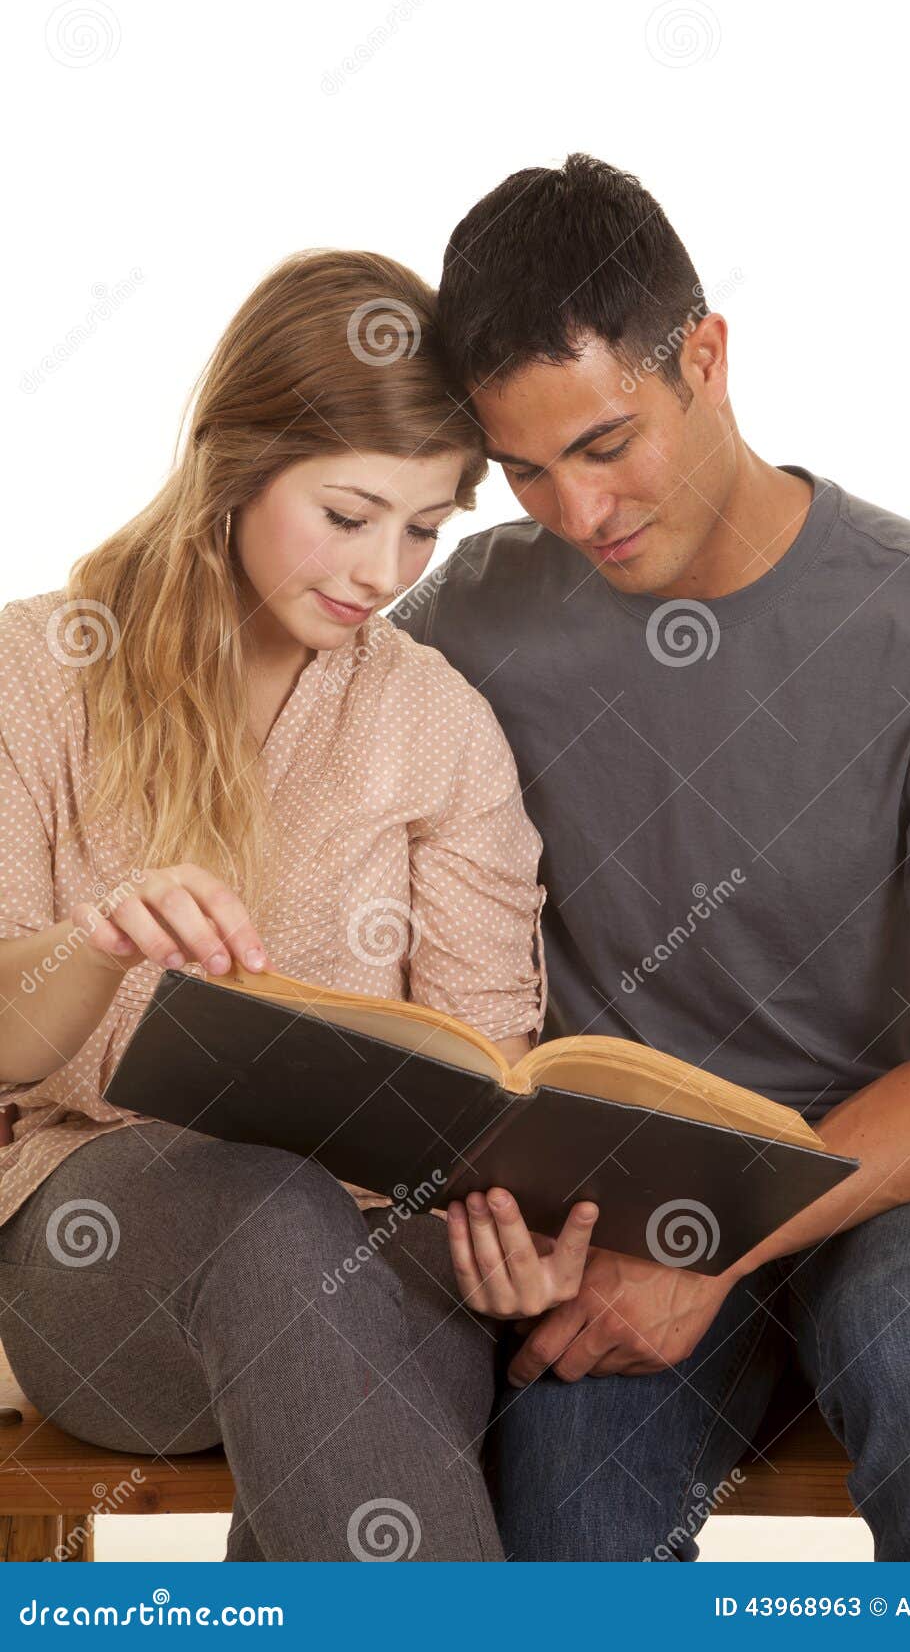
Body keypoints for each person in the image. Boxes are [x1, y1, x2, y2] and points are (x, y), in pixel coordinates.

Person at [393, 154, 910, 1561]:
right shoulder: (473, 618)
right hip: (614, 1195)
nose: (577, 515)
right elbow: (286, 740)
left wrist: (710, 1238)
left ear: (705, 355)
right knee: (571, 1527)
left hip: (897, 1173)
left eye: (604, 443)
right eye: (524, 470)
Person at [0, 248, 598, 1561]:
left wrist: (521, 1237)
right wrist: (96, 943)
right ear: (234, 464)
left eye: (427, 526)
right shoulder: (38, 672)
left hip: (372, 1256)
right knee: (278, 1213)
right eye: (348, 514)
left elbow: (486, 1074)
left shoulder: (436, 722)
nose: (387, 566)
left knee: (382, 1314)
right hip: (97, 1255)